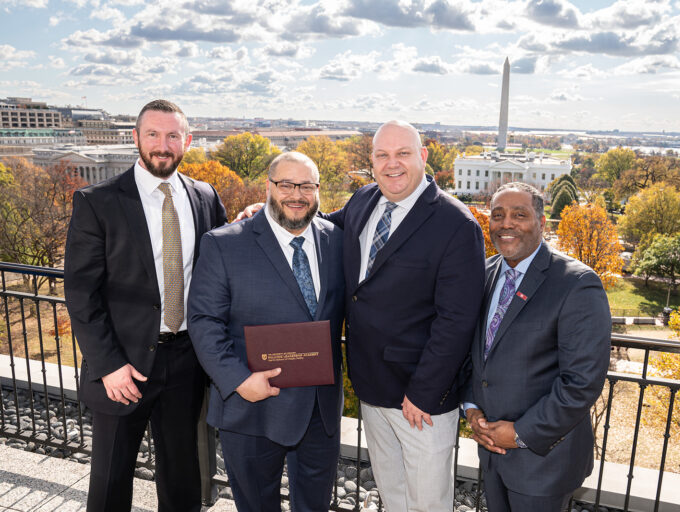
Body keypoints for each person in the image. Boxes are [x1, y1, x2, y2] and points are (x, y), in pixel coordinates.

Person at [64, 99, 227, 512]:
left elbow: (226, 260)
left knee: (182, 474)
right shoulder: (97, 201)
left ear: (187, 142)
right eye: (152, 134)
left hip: (186, 360)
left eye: (173, 135)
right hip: (124, 366)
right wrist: (108, 365)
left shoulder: (205, 197)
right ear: (135, 138)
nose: (162, 144)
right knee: (110, 478)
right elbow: (82, 293)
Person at [326, 120, 485, 511]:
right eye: (382, 155)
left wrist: (423, 392)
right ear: (372, 161)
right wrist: (272, 213)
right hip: (371, 384)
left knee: (427, 503)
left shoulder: (456, 224)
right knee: (392, 494)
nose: (391, 164)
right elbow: (327, 227)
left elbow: (457, 321)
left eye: (403, 153)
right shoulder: (363, 200)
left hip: (419, 400)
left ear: (423, 157)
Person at [187, 151, 345, 512]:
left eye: (306, 185)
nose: (296, 194)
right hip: (252, 406)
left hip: (319, 411)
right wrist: (239, 380)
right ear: (269, 187)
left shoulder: (337, 241)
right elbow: (203, 321)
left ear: (318, 189)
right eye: (286, 184)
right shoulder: (225, 243)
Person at [462, 182, 611, 512]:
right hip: (491, 452)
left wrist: (518, 433)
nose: (506, 224)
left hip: (544, 461)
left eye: (520, 214)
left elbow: (582, 383)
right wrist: (471, 408)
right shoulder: (483, 273)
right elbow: (472, 353)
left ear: (542, 223)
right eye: (498, 215)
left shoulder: (577, 284)